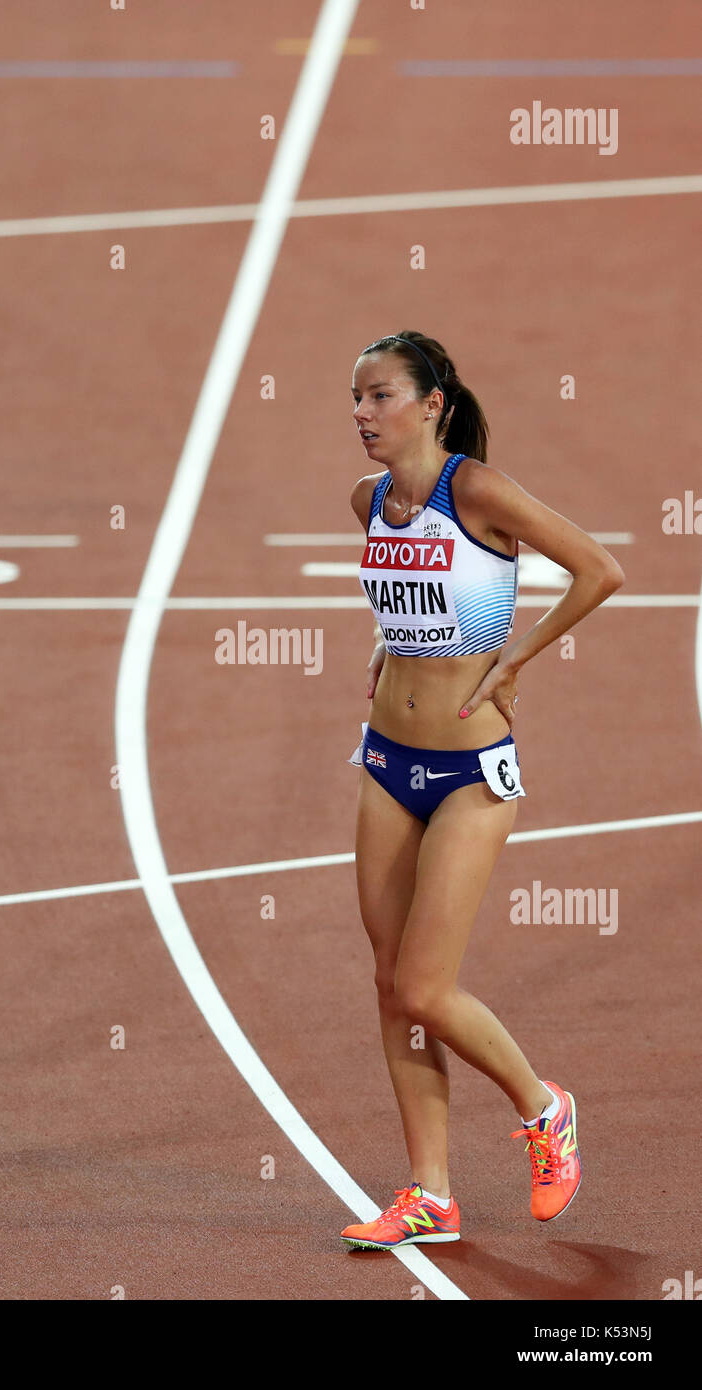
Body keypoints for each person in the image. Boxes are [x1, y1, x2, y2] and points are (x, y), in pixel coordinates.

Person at [340, 331, 624, 1249]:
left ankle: (546, 1110)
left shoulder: (479, 492)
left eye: (380, 397)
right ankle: (430, 1195)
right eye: (355, 400)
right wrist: (392, 645)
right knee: (390, 985)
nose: (362, 414)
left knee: (425, 986)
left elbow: (600, 569)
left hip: (470, 770)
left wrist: (517, 658)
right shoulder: (368, 502)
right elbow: (408, 601)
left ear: (432, 404)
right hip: (386, 759)